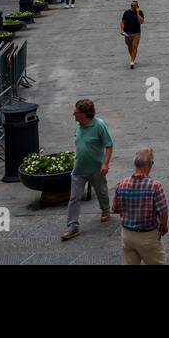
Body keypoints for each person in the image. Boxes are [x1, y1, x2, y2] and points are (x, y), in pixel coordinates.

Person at [62, 98, 113, 242]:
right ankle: (72, 226)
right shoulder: (78, 126)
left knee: (101, 191)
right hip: (79, 168)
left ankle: (105, 209)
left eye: (76, 112)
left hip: (96, 168)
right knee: (74, 198)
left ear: (85, 114)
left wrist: (105, 164)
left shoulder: (99, 125)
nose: (74, 114)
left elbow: (109, 145)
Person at [113, 148, 168, 265]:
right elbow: (163, 211)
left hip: (127, 234)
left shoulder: (121, 184)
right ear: (148, 164)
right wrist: (164, 226)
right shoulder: (155, 186)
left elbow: (115, 208)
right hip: (147, 235)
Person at [120, 0, 145, 68]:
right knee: (130, 47)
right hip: (127, 33)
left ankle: (132, 61)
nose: (133, 6)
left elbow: (141, 22)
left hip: (136, 33)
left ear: (137, 6)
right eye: (132, 5)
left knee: (134, 47)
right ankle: (133, 58)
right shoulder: (126, 12)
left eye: (135, 5)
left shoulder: (140, 12)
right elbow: (123, 22)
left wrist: (137, 13)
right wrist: (122, 30)